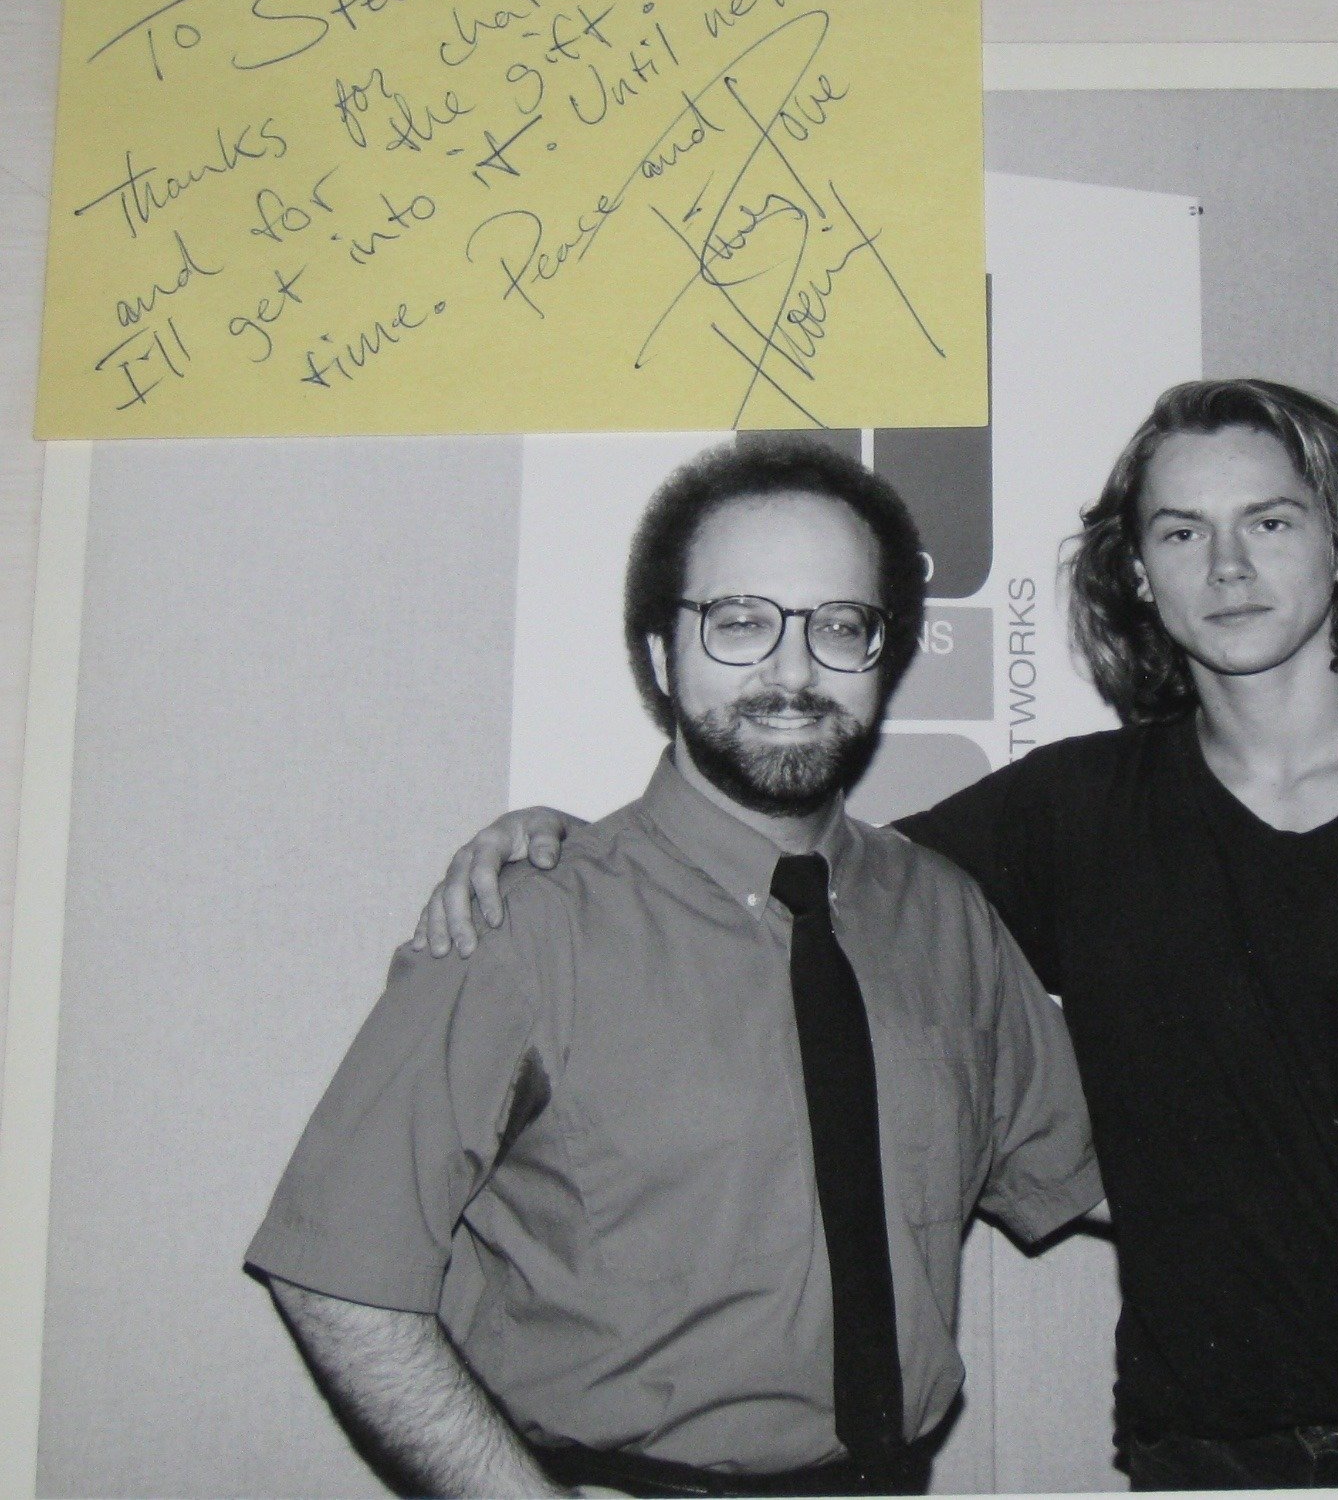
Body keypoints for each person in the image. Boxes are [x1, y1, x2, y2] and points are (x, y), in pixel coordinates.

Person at [421, 380, 1338, 1489]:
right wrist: (563, 839)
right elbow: (789, 871)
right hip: (1199, 1459)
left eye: (1267, 521)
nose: (1225, 567)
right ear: (1135, 573)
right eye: (1180, 530)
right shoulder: (1067, 817)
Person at [246, 438, 1102, 1499]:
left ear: (883, 658)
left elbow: (1109, 1170)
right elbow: (335, 1272)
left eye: (839, 627)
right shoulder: (531, 922)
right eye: (739, 621)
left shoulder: (944, 917)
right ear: (662, 655)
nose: (791, 672)